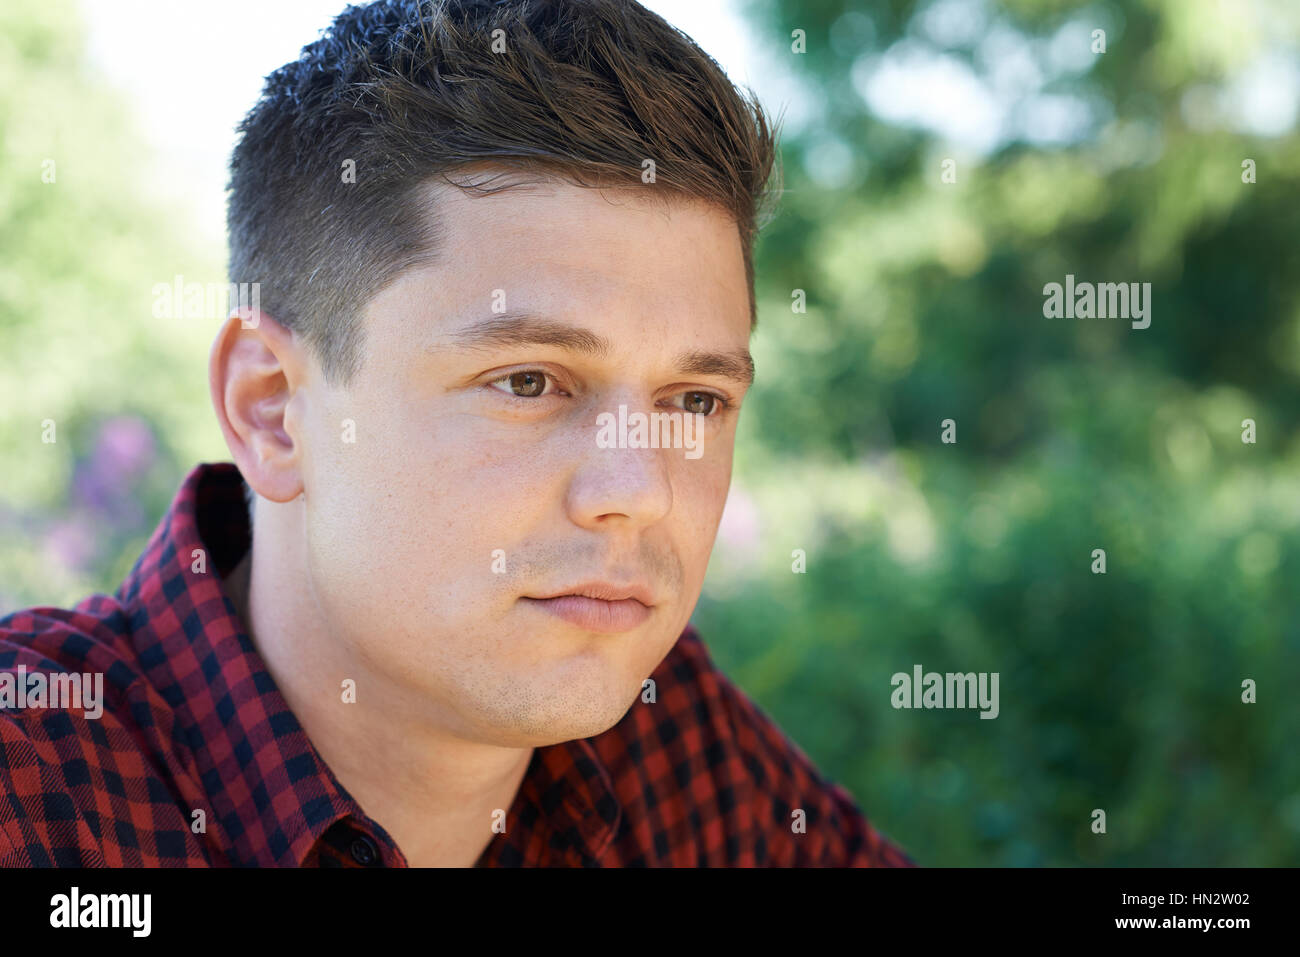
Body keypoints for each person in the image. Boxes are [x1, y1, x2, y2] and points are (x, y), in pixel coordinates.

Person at [0, 0, 912, 867]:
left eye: (694, 400)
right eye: (529, 382)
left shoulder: (669, 739)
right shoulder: (34, 786)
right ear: (273, 408)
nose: (640, 490)